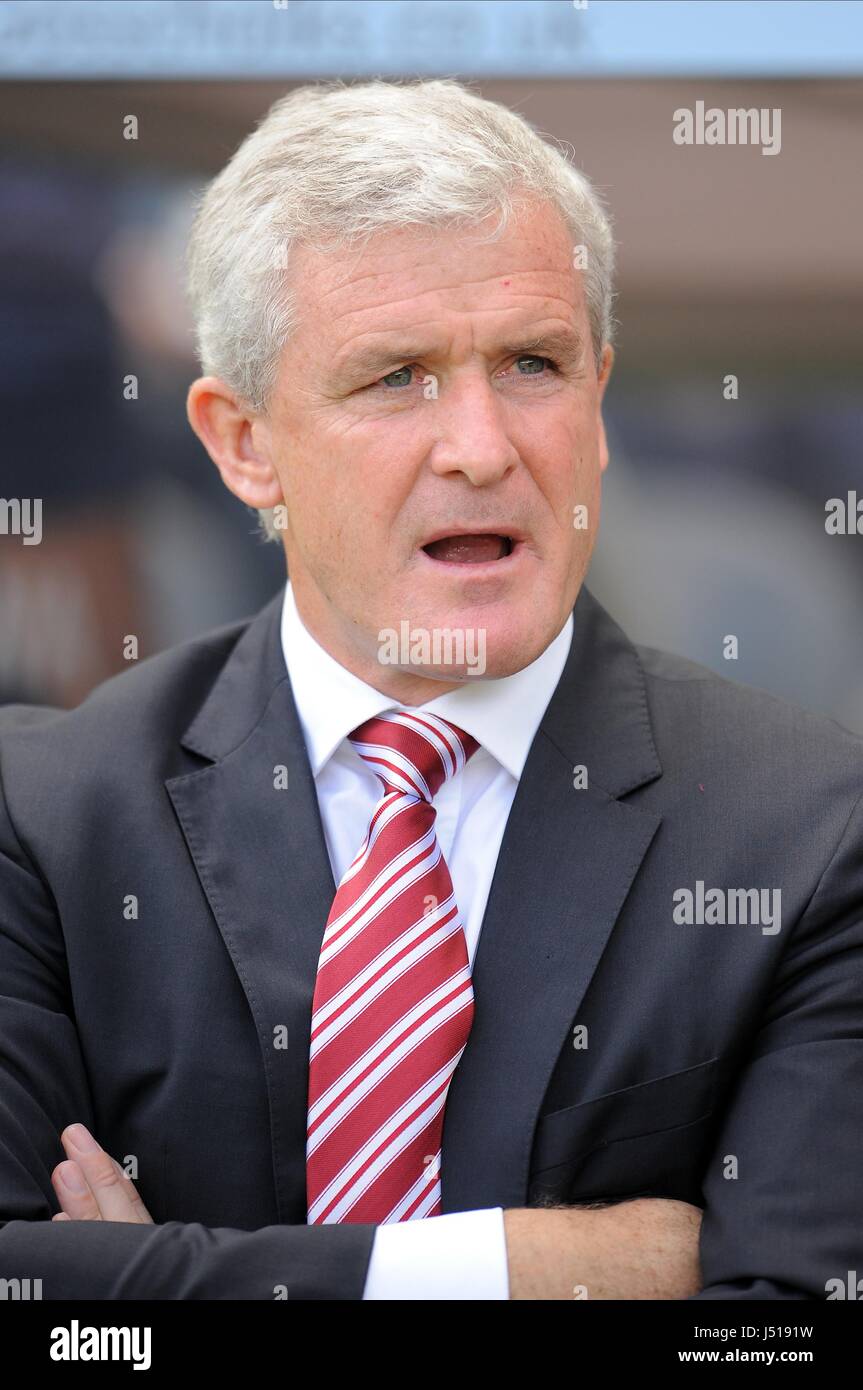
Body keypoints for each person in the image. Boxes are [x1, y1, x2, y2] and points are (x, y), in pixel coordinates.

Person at [1, 79, 861, 1301]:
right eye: (395, 375)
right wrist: (534, 1267)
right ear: (243, 443)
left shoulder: (812, 830)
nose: (479, 444)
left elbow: (785, 1331)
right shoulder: (41, 818)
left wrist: (154, 1284)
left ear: (599, 402)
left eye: (531, 363)